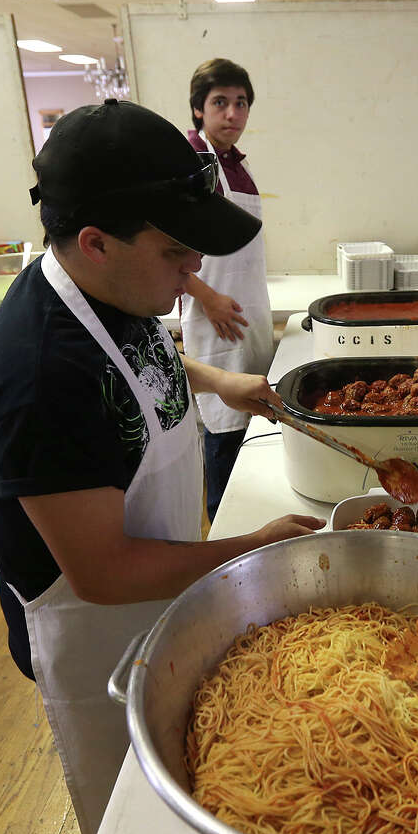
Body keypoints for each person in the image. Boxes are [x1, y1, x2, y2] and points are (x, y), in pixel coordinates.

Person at [0, 98, 324, 834]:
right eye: (175, 252)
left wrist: (216, 381)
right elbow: (101, 571)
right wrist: (253, 549)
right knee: (136, 823)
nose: (193, 268)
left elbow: (140, 361)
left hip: (156, 586)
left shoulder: (111, 286)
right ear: (95, 242)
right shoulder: (37, 374)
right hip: (94, 628)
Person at [180, 58, 273, 523]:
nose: (232, 113)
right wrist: (208, 297)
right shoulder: (194, 163)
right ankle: (222, 529)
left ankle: (249, 522)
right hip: (215, 320)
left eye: (241, 103)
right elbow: (170, 248)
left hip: (246, 314)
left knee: (248, 432)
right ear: (199, 109)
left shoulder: (238, 163)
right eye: (220, 103)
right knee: (223, 432)